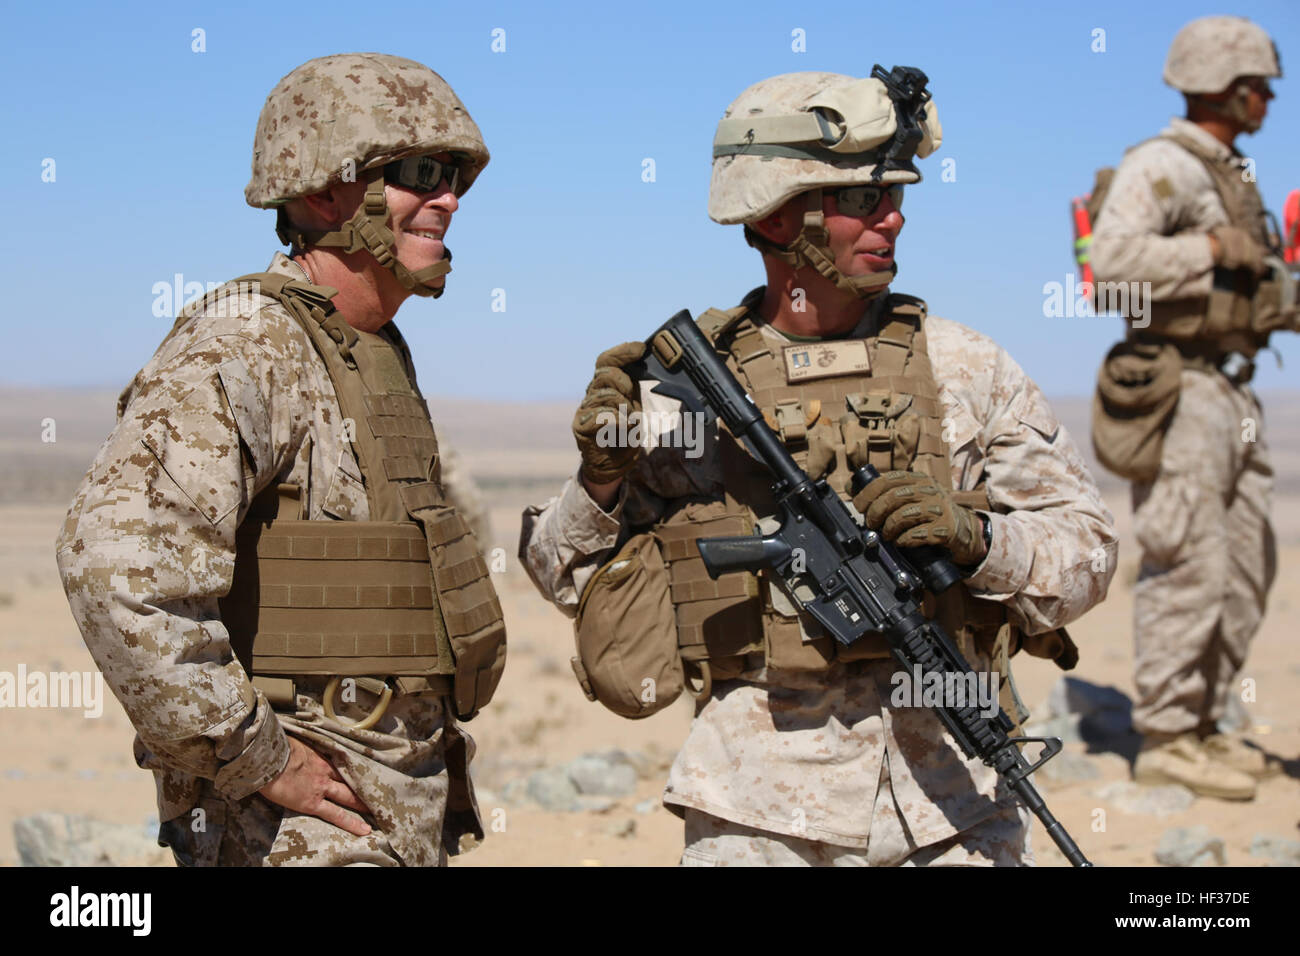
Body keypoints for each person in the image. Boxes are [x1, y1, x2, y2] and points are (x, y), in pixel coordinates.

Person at [521, 68, 1117, 866]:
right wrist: (599, 474)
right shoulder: (683, 393)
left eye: (897, 197)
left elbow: (1089, 553)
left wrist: (975, 540)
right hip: (757, 811)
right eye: (863, 200)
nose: (894, 218)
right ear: (777, 215)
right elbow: (564, 576)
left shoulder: (964, 368)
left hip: (954, 801)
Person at [55, 53, 506, 866]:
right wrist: (256, 756)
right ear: (324, 190)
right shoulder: (246, 344)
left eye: (455, 181)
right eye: (419, 172)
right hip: (287, 836)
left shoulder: (369, 350)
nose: (446, 199)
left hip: (393, 810)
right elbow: (112, 565)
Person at [1090, 16, 1293, 800]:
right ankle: (1168, 735)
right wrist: (1209, 250)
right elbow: (1110, 269)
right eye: (1259, 87)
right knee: (1190, 562)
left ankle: (1205, 723)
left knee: (1246, 565)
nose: (1269, 101)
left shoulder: (1229, 173)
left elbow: (1250, 280)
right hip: (1181, 387)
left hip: (1234, 385)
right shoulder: (1163, 167)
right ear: (1226, 88)